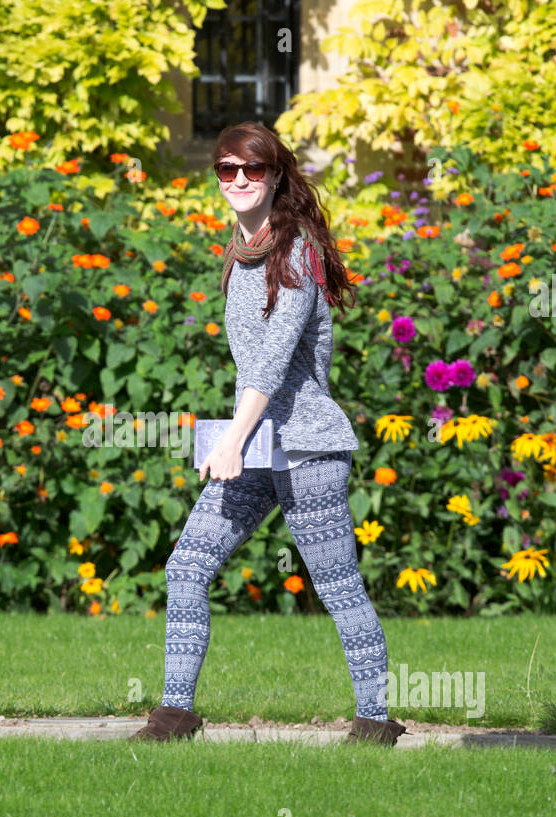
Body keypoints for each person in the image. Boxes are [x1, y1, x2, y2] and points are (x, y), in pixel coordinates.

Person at [131, 122, 408, 747]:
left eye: (250, 170)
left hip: (306, 445)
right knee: (186, 567)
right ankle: (176, 715)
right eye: (225, 170)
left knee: (337, 585)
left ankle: (374, 720)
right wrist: (238, 439)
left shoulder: (296, 251)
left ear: (275, 176)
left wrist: (230, 438)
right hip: (256, 444)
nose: (236, 181)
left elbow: (274, 357)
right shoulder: (241, 247)